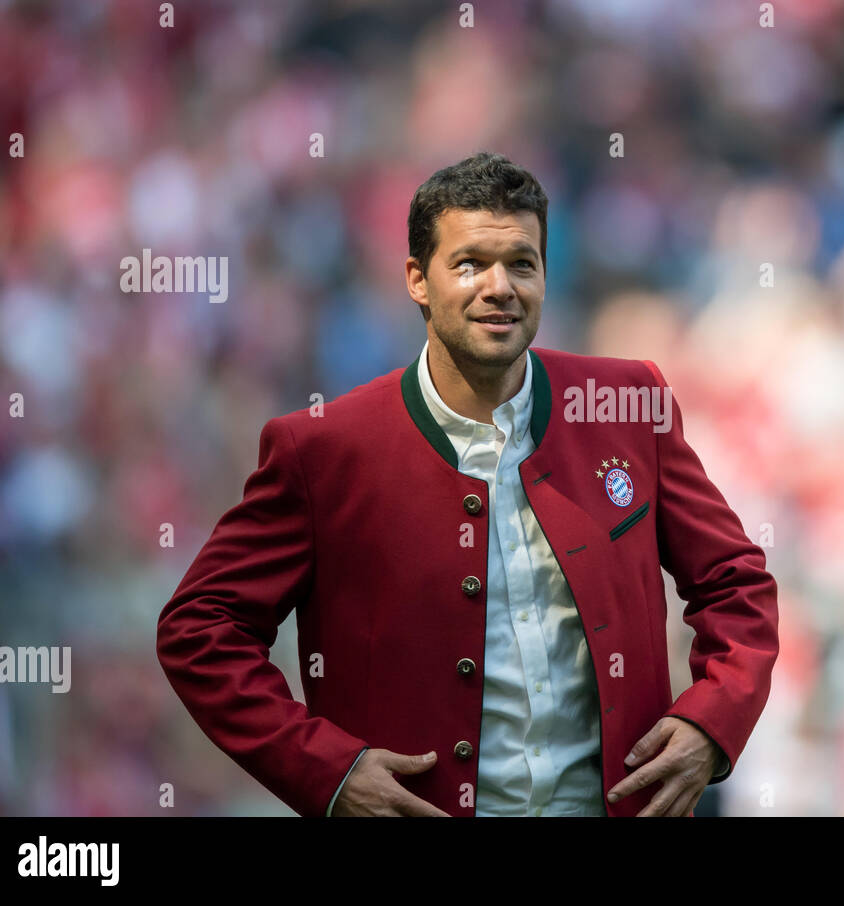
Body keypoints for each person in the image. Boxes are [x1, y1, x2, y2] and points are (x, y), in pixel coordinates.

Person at [156, 152, 780, 817]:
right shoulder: (322, 449)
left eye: (521, 263)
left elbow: (734, 581)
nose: (500, 286)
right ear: (417, 280)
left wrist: (712, 722)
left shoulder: (627, 401)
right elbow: (200, 628)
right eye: (469, 264)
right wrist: (329, 773)